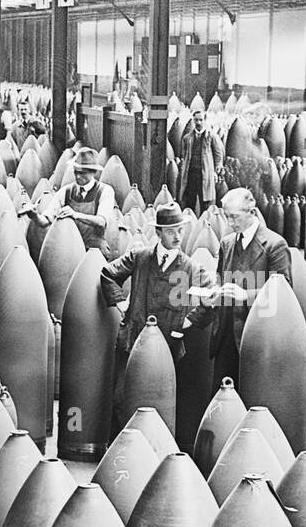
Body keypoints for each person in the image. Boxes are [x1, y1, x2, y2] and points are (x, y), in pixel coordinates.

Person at [101, 204, 215, 427]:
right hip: (132, 342)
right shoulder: (140, 258)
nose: (177, 236)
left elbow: (211, 299)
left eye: (180, 230)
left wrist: (188, 321)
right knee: (122, 400)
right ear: (159, 232)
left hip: (170, 346)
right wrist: (121, 303)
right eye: (171, 231)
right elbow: (108, 274)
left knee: (160, 407)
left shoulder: (191, 268)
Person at [179, 187, 293, 387]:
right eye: (226, 216)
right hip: (225, 337)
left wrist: (245, 295)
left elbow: (284, 293)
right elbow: (220, 279)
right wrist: (213, 293)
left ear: (251, 211)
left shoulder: (275, 245)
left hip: (257, 340)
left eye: (235, 217)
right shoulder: (227, 243)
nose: (230, 223)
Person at [30, 147, 117, 255]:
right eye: (76, 172)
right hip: (69, 249)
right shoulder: (65, 191)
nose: (78, 176)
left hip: (94, 251)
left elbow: (101, 222)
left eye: (82, 173)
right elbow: (45, 221)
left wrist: (75, 215)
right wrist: (34, 216)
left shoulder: (105, 191)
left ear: (93, 172)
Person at [177, 109, 224, 214]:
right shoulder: (187, 138)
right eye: (196, 120)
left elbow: (218, 155)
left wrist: (216, 171)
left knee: (206, 202)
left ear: (205, 120)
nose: (198, 123)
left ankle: (205, 224)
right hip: (190, 175)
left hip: (205, 175)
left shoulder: (211, 137)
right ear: (193, 121)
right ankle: (191, 223)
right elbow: (183, 155)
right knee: (189, 202)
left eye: (201, 120)